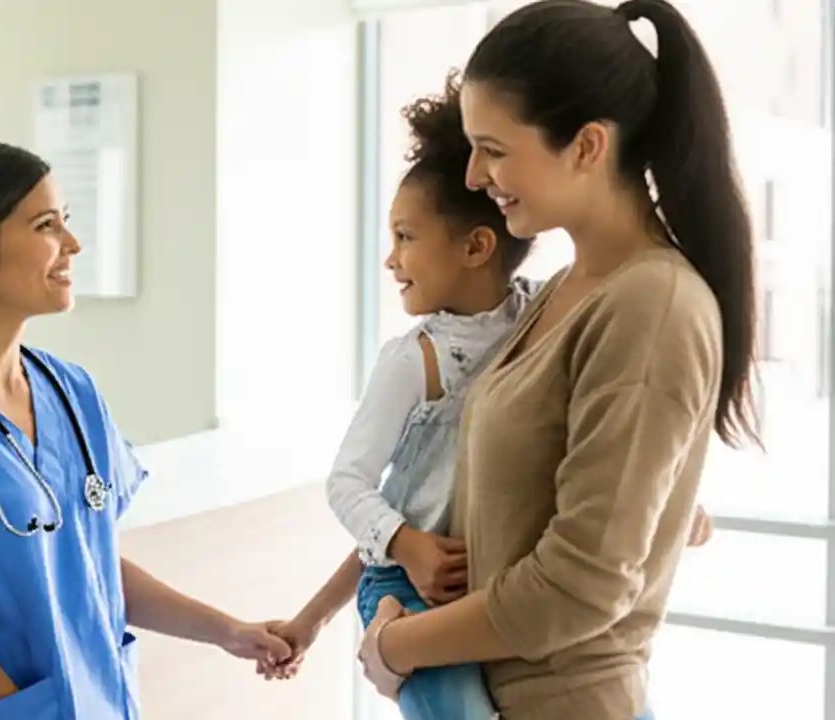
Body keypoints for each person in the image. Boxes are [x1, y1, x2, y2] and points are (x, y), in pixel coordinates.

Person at [255, 72, 713, 719]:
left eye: (405, 238)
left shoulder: (556, 312)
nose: (390, 259)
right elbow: (372, 500)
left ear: (477, 246)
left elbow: (607, 452)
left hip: (496, 619)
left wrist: (663, 500)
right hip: (420, 584)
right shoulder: (418, 358)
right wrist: (354, 602)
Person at [356, 2, 756, 720]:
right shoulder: (563, 292)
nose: (476, 175)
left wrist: (398, 647)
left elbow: (582, 587)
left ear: (587, 146)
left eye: (496, 149)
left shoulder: (652, 306)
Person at [0, 140, 292, 718]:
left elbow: (89, 565)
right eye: (46, 225)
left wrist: (227, 631)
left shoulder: (71, 392)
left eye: (66, 222)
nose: (73, 245)